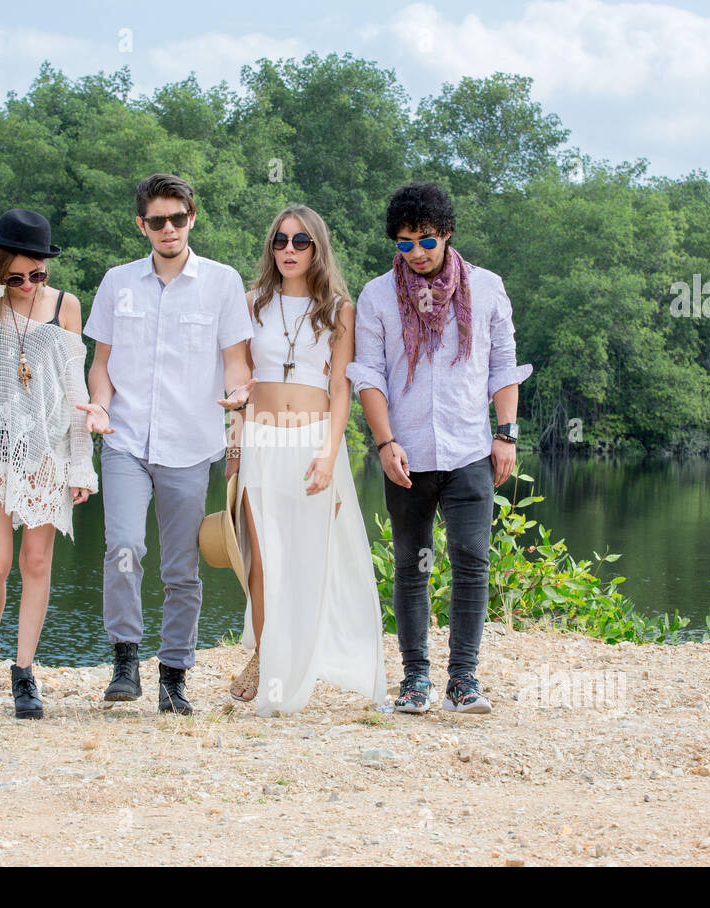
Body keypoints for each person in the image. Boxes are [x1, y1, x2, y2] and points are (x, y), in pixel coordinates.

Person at [347, 183, 532, 715]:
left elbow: (503, 365)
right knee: (411, 565)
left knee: (472, 561)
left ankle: (464, 680)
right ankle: (415, 679)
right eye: (405, 244)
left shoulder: (489, 288)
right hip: (405, 451)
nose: (417, 253)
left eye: (426, 241)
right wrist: (384, 443)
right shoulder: (378, 295)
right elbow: (370, 376)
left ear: (447, 233)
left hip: (470, 447)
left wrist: (506, 434)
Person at [82, 174, 255, 715]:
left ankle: (174, 676)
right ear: (142, 226)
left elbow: (235, 365)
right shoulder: (117, 282)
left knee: (181, 569)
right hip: (125, 438)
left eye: (177, 218)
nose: (168, 229)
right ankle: (125, 662)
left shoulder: (223, 282)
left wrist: (238, 400)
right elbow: (102, 365)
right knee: (124, 547)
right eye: (157, 221)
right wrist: (100, 406)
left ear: (192, 219)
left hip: (189, 443)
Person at [226, 205, 387, 716]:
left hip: (314, 440)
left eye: (300, 242)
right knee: (264, 560)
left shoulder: (339, 308)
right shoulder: (251, 303)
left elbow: (340, 387)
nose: (289, 250)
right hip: (262, 439)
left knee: (307, 558)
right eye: (280, 241)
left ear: (317, 247)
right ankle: (265, 653)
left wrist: (328, 452)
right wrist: (233, 421)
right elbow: (237, 375)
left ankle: (296, 659)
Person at [0, 208, 98, 719]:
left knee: (35, 563)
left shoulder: (66, 306)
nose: (26, 284)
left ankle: (23, 672)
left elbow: (77, 391)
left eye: (36, 275)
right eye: (15, 276)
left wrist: (82, 464)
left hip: (48, 450)